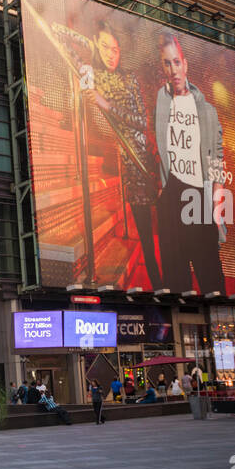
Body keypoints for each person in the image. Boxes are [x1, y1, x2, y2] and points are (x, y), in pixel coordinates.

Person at [69, 20, 160, 288]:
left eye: (116, 49)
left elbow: (142, 121)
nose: (111, 54)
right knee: (144, 229)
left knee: (160, 229)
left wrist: (105, 103)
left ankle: (161, 281)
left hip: (145, 158)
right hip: (126, 162)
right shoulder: (92, 74)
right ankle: (156, 282)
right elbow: (84, 91)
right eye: (106, 47)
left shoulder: (128, 77)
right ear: (96, 45)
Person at [154, 31, 227, 295]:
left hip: (199, 197)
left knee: (212, 280)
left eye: (176, 61)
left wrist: (217, 210)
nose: (173, 69)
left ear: (185, 64)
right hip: (171, 196)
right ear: (162, 67)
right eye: (166, 62)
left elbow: (217, 160)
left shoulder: (207, 110)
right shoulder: (159, 103)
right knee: (175, 283)